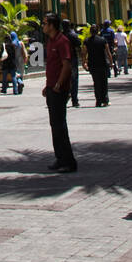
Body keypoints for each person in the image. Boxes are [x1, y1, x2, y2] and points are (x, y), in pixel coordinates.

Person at [42, 12, 76, 173]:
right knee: (54, 125)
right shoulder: (50, 41)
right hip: (51, 88)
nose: (43, 26)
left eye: (45, 23)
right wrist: (47, 85)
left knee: (60, 125)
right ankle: (60, 158)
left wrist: (59, 84)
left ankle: (69, 161)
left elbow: (66, 65)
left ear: (52, 25)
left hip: (58, 89)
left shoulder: (62, 41)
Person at [82, 23, 113, 106]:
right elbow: (108, 52)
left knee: (96, 83)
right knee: (104, 82)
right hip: (102, 63)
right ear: (98, 31)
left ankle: (98, 100)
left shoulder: (87, 41)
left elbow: (84, 53)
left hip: (92, 64)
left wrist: (84, 63)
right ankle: (105, 100)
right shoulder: (102, 40)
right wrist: (111, 62)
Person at [62, 19, 81, 107]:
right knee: (74, 79)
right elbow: (78, 45)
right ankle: (74, 99)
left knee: (64, 79)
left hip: (63, 59)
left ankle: (65, 97)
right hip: (72, 58)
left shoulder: (61, 35)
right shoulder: (73, 35)